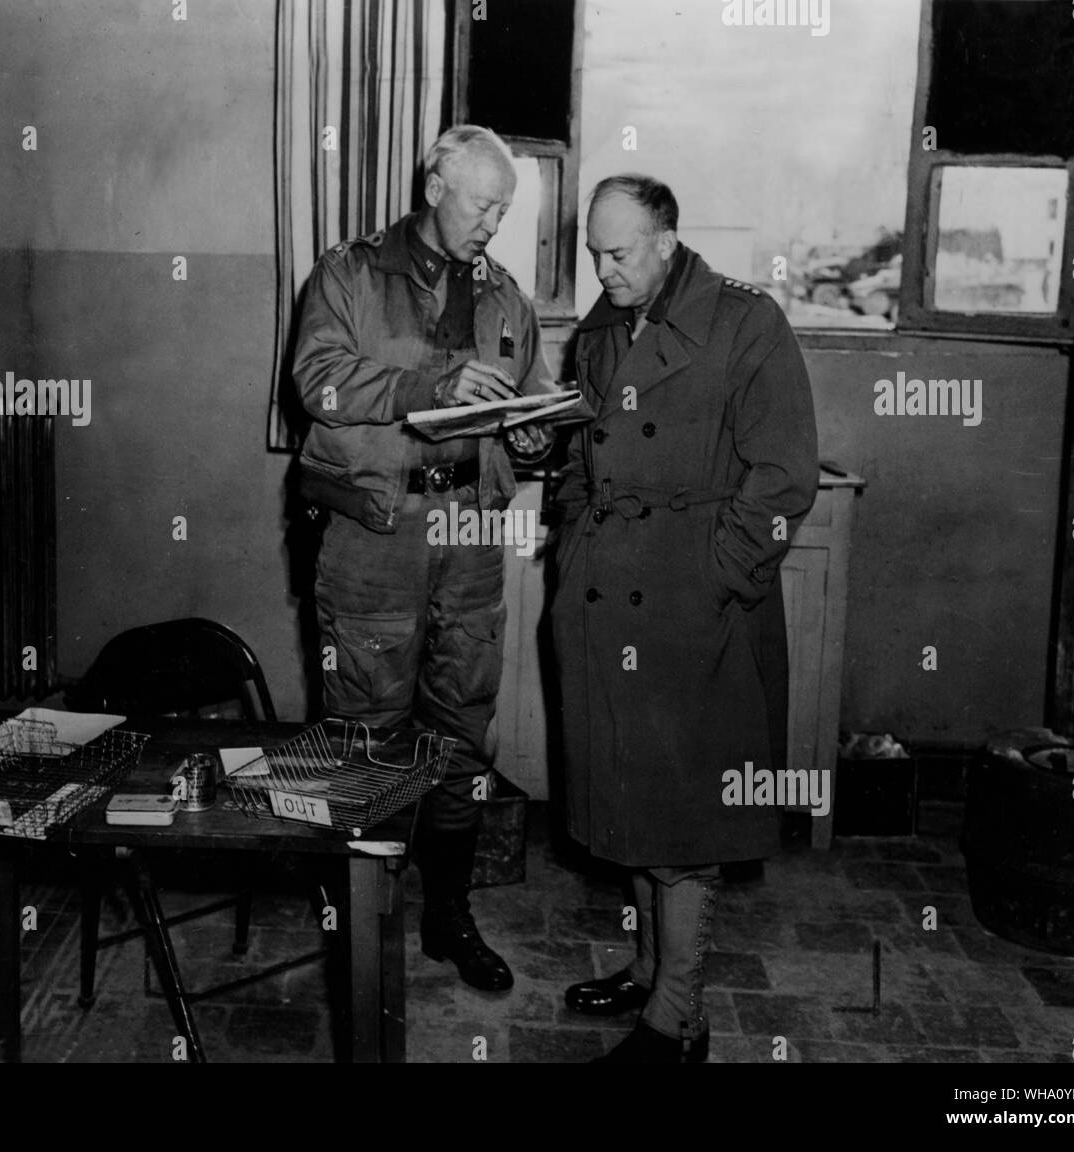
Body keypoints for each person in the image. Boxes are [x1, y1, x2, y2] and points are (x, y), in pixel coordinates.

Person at [551, 175, 818, 1060]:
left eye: (619, 253)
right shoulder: (600, 329)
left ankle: (679, 1019)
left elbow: (784, 479)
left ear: (667, 241)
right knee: (627, 794)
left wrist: (715, 576)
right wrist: (574, 546)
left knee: (683, 818)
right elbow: (581, 455)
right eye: (593, 251)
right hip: (605, 597)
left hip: (690, 605)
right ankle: (646, 967)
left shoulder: (747, 323)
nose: (603, 268)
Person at [291, 125, 554, 992]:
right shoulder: (350, 274)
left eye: (506, 209)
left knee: (464, 732)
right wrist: (424, 389)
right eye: (483, 203)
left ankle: (448, 916)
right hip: (377, 532)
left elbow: (528, 399)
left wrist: (540, 428)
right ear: (436, 183)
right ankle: (363, 929)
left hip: (472, 531)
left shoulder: (507, 296)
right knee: (369, 735)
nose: (494, 222)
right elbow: (316, 380)